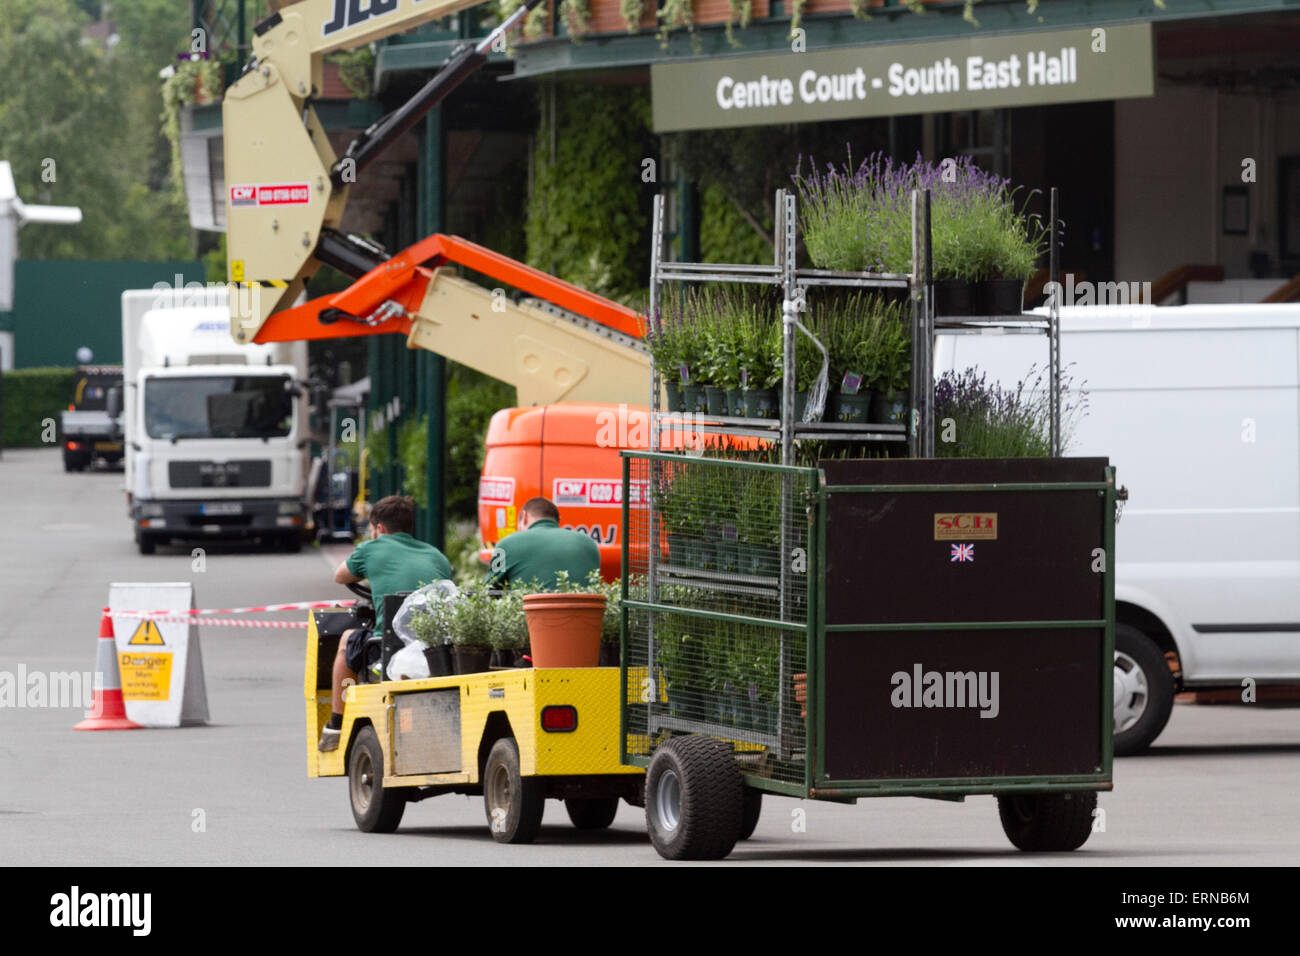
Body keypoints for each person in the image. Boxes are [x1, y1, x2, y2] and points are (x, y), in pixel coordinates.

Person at [318, 495, 453, 752]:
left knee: (347, 640)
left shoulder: (371, 549)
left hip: (389, 645)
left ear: (379, 528)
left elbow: (340, 576)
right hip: (437, 648)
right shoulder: (436, 556)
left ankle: (337, 723)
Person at [486, 496, 601, 590]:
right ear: (557, 520)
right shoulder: (589, 544)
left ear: (524, 517)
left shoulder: (506, 545)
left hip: (531, 618)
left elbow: (488, 591)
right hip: (583, 617)